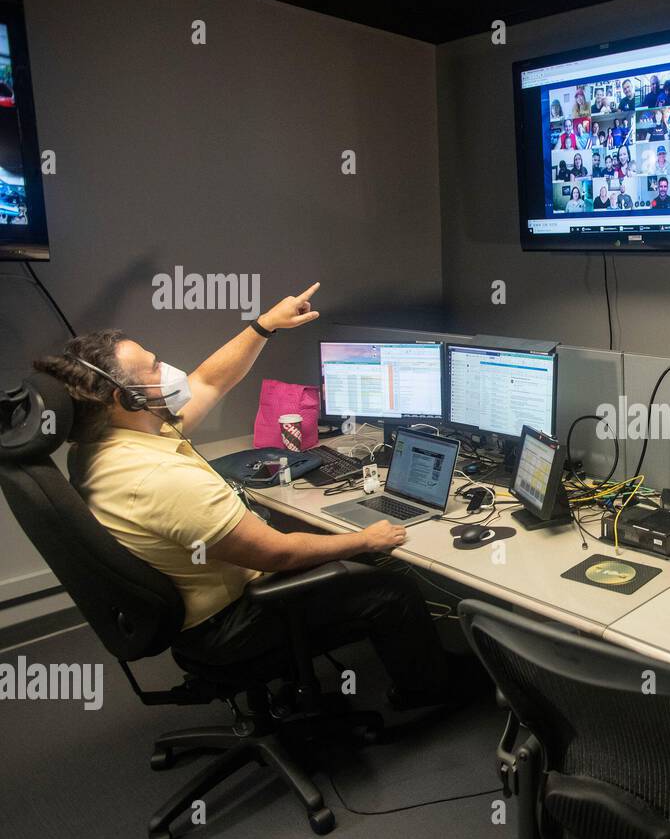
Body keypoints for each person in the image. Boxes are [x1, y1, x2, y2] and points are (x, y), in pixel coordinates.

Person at [32, 287, 454, 708]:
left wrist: (264, 324)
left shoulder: (102, 446)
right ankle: (430, 696)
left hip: (193, 611)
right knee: (391, 587)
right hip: (231, 623)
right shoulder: (158, 477)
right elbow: (279, 555)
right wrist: (367, 540)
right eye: (154, 366)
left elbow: (210, 380)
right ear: (127, 398)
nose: (169, 369)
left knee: (340, 551)